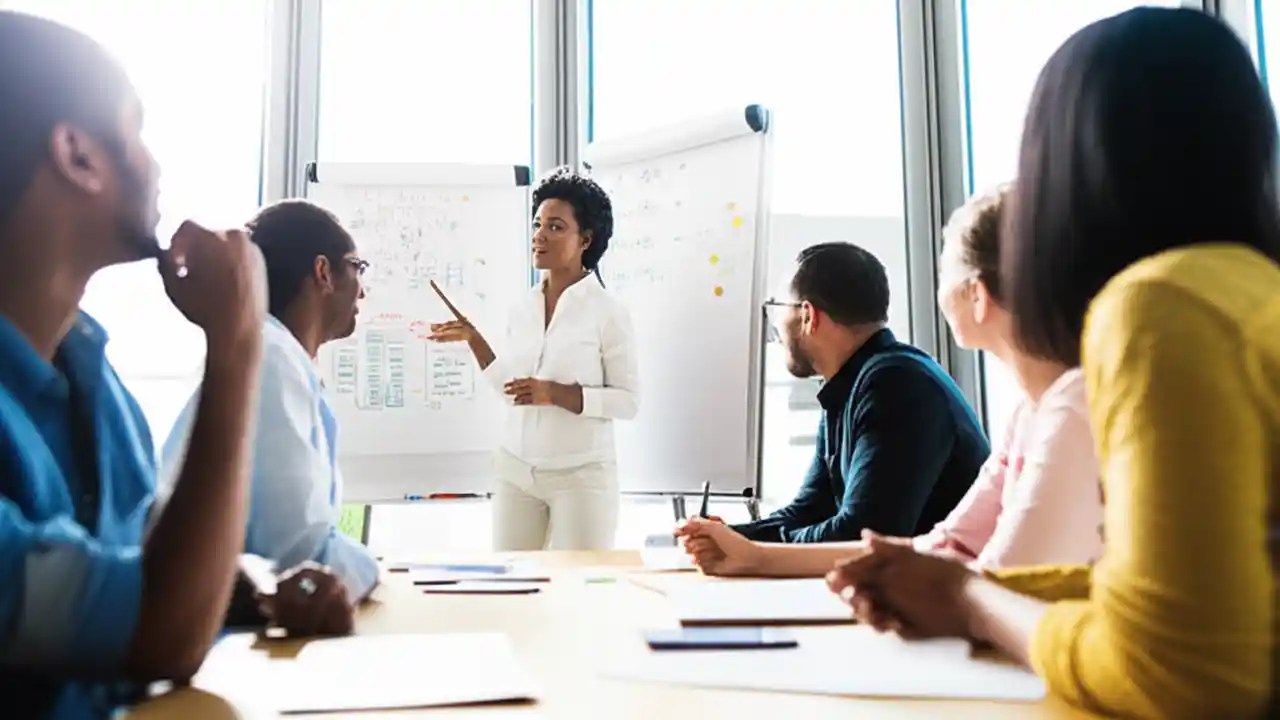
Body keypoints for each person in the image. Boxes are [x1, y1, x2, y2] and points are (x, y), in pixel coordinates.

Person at [827, 8, 1278, 718]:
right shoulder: (1249, 297)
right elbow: (1202, 591)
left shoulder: (1164, 308)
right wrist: (960, 589)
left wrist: (970, 599)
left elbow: (1183, 674)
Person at [0, 13, 348, 718]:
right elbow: (159, 631)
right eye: (135, 129)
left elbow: (132, 570)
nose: (155, 164)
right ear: (77, 154)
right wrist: (239, 340)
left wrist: (248, 588)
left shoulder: (91, 379)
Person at [679, 187, 1102, 575]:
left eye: (945, 269)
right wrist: (742, 544)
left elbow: (882, 538)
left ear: (978, 293)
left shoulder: (897, 383)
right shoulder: (1024, 416)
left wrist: (756, 554)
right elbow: (946, 547)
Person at [160, 200, 379, 603]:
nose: (364, 287)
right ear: (323, 272)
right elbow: (302, 561)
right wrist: (372, 568)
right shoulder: (272, 359)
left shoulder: (276, 352)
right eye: (357, 267)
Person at [712, 242, 988, 545]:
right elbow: (811, 510)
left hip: (940, 588)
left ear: (807, 316)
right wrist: (727, 536)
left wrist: (749, 548)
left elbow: (861, 534)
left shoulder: (896, 385)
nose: (776, 327)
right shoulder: (850, 386)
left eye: (778, 309)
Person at [428, 166, 638, 551]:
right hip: (515, 470)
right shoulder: (523, 306)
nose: (539, 235)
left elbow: (627, 401)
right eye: (538, 224)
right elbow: (515, 393)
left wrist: (555, 393)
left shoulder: (608, 311)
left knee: (577, 591)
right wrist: (474, 340)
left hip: (582, 476)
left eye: (556, 227)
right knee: (512, 588)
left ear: (586, 239)